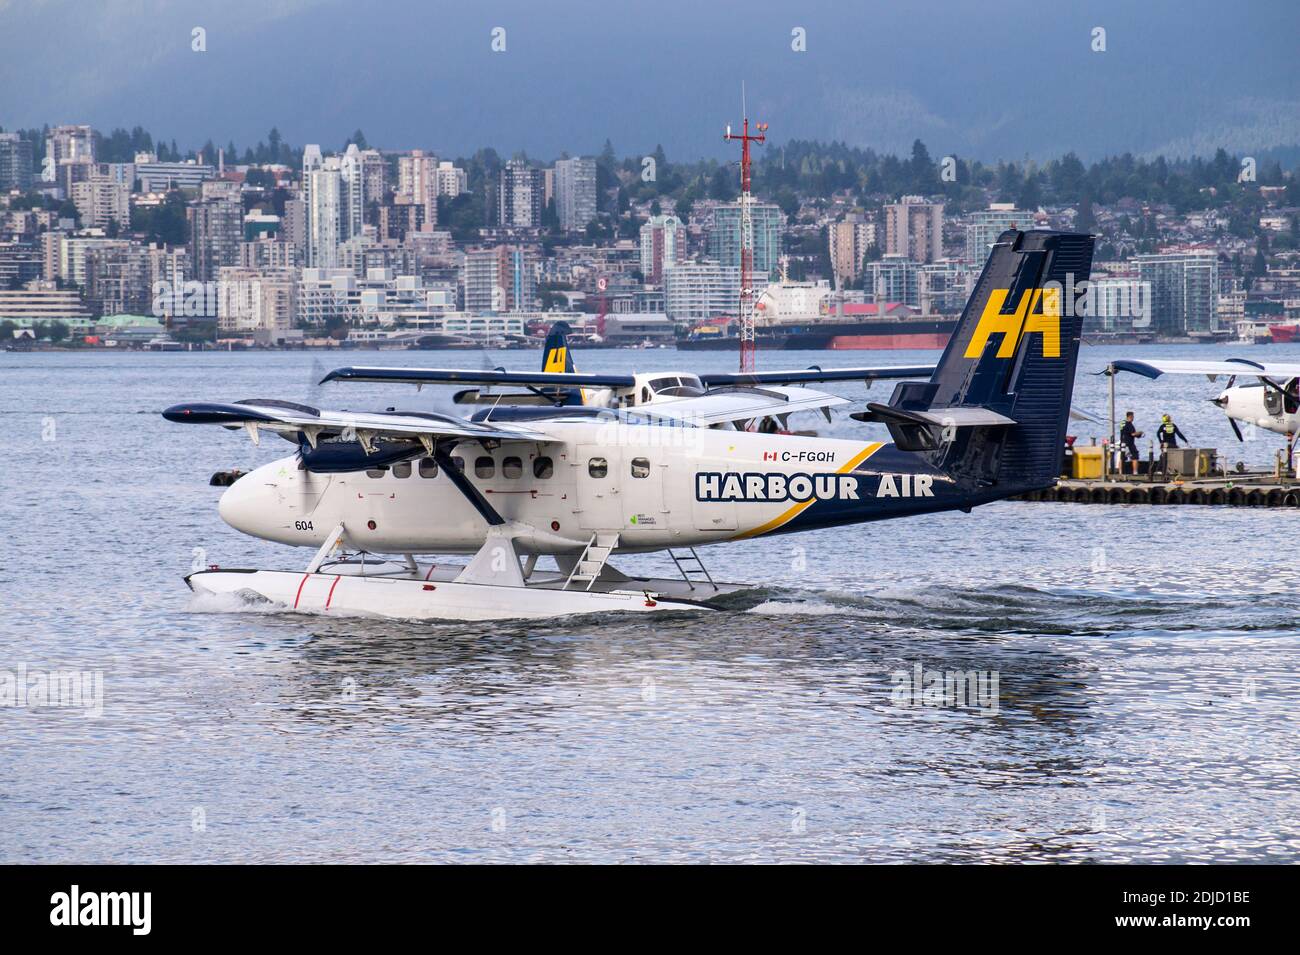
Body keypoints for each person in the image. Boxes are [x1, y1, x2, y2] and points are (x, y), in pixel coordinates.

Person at [1119, 411, 1143, 475]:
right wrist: (1140, 433)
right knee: (1135, 456)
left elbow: (1126, 432)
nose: (1133, 418)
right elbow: (1133, 434)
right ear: (1131, 416)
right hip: (1129, 444)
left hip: (1122, 443)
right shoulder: (1129, 424)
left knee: (1122, 458)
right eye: (1133, 416)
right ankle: (1135, 472)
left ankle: (1120, 472)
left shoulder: (1122, 423)